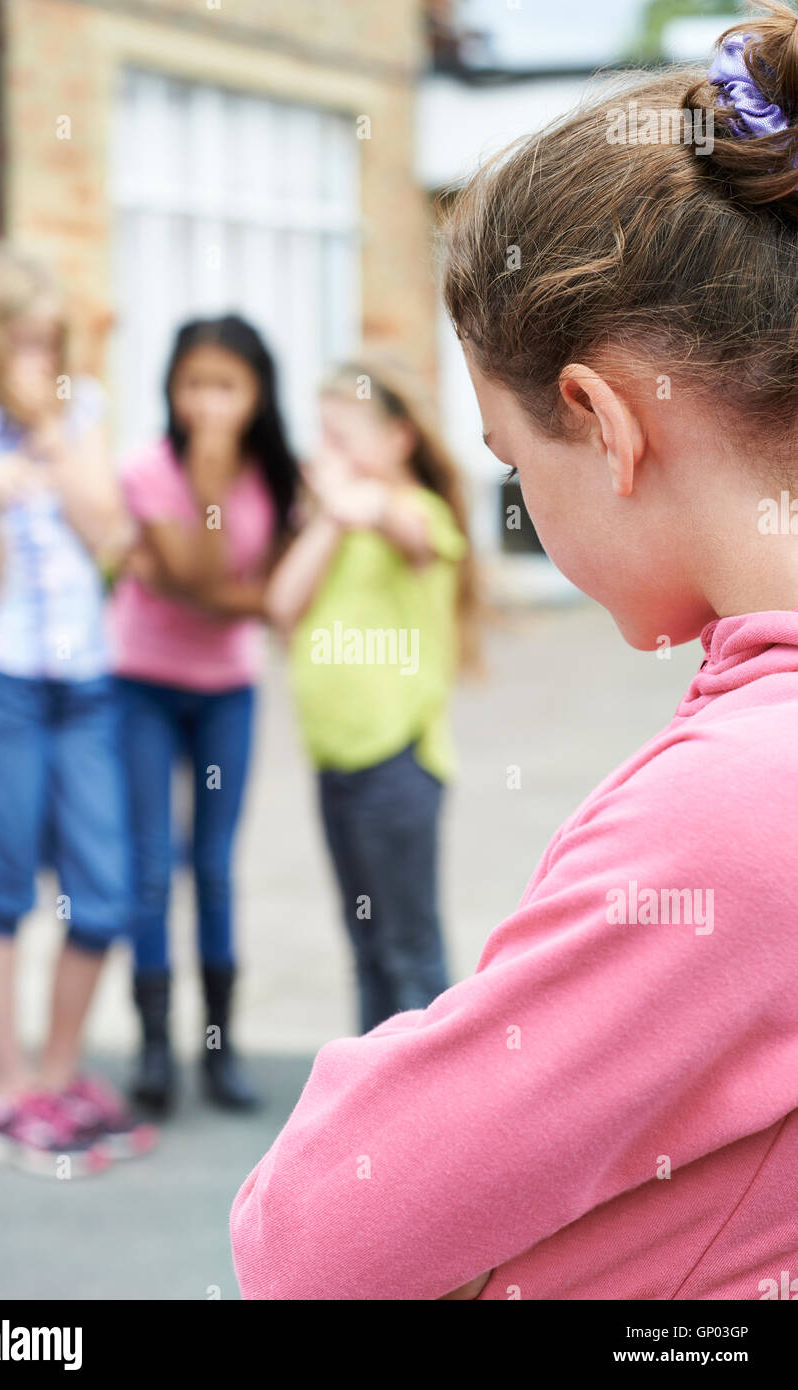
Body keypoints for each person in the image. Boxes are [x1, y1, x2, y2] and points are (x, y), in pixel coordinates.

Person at [230, 4, 798, 1298]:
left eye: (508, 458)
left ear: (601, 422)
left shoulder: (732, 808)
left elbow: (309, 1237)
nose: (516, 500)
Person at [0, 242, 154, 1177]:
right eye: (22, 342)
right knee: (4, 883)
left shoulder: (84, 408)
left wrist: (61, 459)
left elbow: (115, 541)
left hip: (85, 681)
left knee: (104, 887)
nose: (38, 358)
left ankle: (58, 1075)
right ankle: (6, 1090)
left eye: (48, 340)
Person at [111, 316, 297, 1113]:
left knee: (213, 867)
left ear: (257, 393)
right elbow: (208, 569)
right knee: (150, 867)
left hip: (226, 691)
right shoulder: (148, 469)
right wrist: (209, 481)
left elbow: (266, 599)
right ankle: (155, 1050)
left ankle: (219, 1048)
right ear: (170, 390)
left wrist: (193, 587)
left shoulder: (282, 477)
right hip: (142, 683)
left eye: (226, 386)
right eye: (194, 386)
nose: (208, 404)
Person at [266, 358, 477, 1035]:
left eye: (343, 437)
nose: (327, 454)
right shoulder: (335, 522)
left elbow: (416, 537)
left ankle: (439, 1110)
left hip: (396, 765)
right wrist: (332, 517)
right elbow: (280, 606)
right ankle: (372, 1097)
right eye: (321, 437)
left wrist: (364, 505)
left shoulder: (415, 510)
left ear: (397, 440)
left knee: (409, 950)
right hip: (335, 764)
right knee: (364, 947)